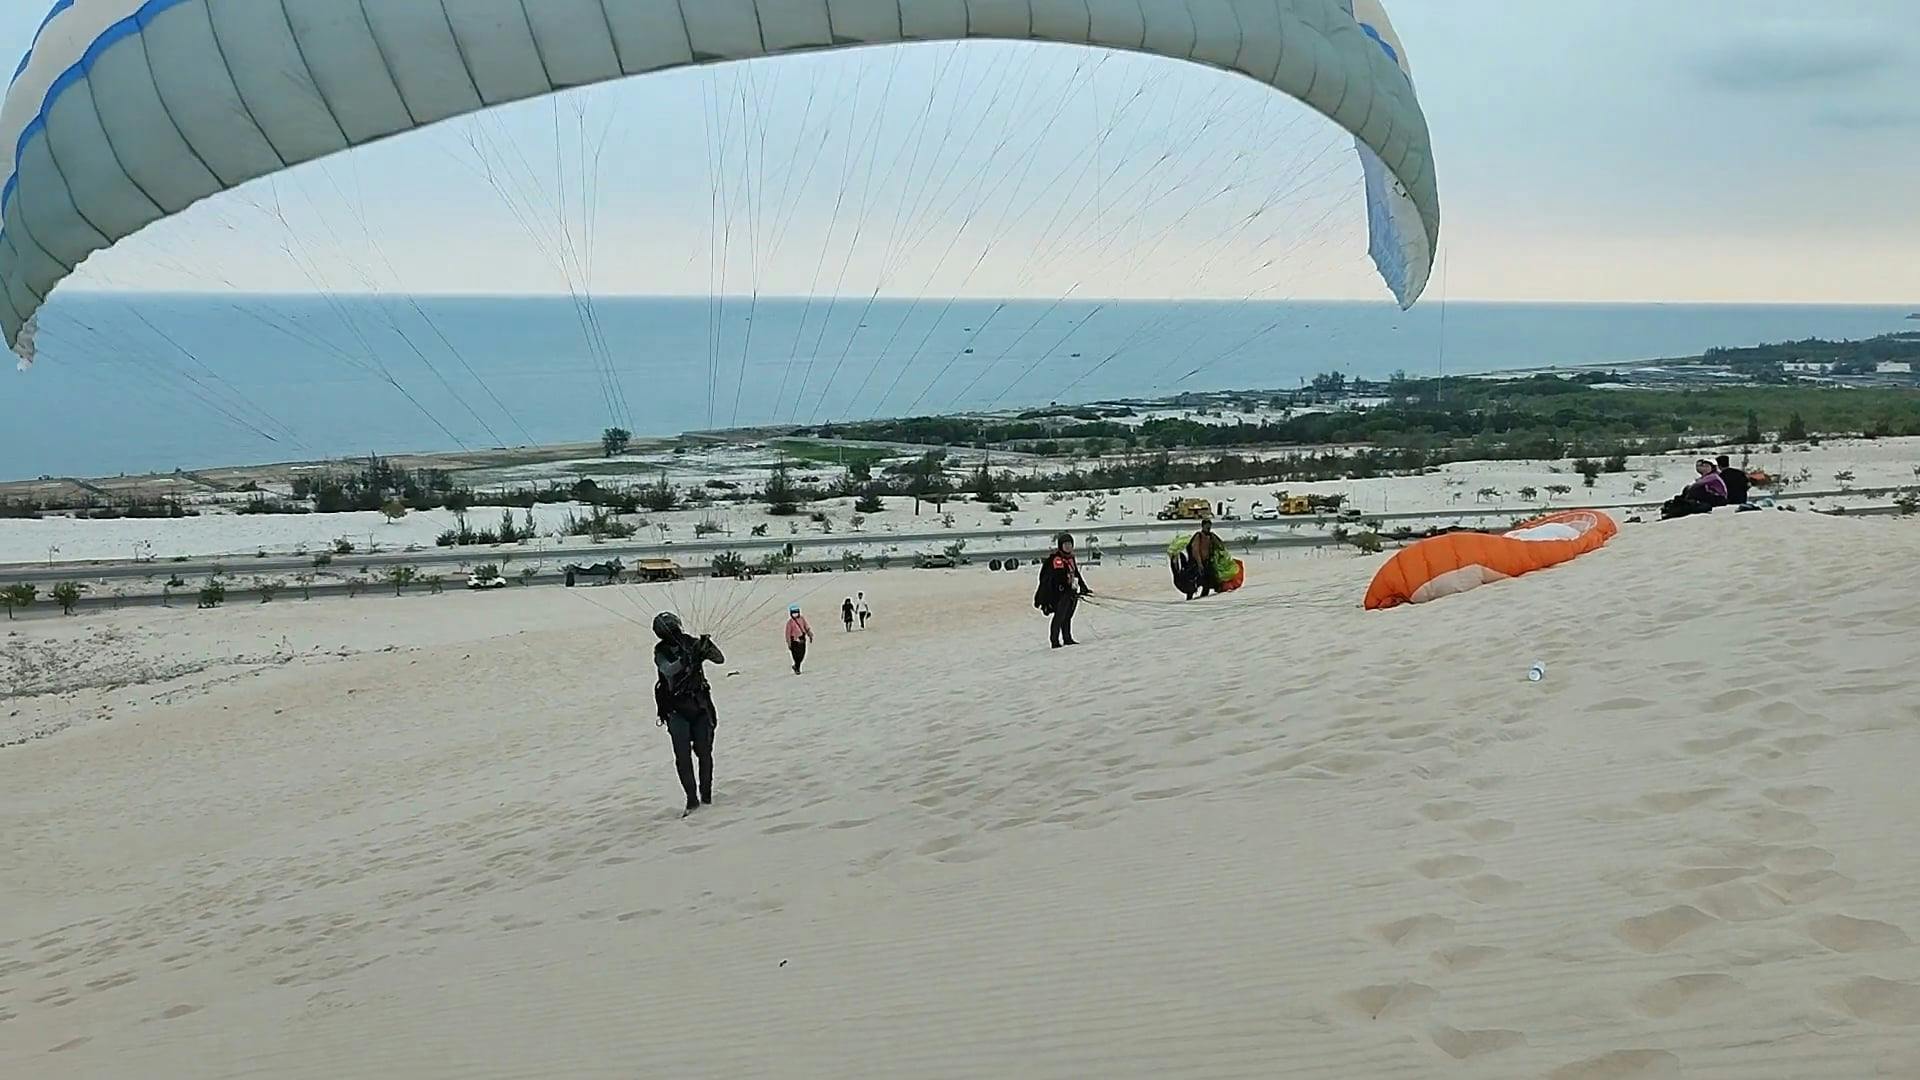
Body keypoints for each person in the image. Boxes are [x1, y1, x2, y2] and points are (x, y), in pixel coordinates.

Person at [653, 612, 725, 817]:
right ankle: (692, 799)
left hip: (699, 705)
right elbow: (668, 670)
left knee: (704, 751)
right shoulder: (661, 651)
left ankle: (706, 795)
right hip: (677, 709)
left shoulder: (691, 643)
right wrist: (687, 659)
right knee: (683, 756)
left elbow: (719, 659)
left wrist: (706, 647)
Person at [1034, 532, 1092, 648]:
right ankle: (1054, 641)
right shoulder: (1057, 559)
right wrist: (1066, 587)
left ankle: (1067, 638)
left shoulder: (1070, 558)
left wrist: (1083, 587)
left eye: (1070, 544)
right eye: (1065, 544)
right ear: (1061, 546)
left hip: (1071, 591)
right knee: (1060, 616)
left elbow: (1076, 573)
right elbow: (1057, 576)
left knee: (1068, 616)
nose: (1068, 547)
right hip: (1060, 593)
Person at [1661, 459, 1729, 520]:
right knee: (1690, 490)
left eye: (1706, 466)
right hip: (1714, 497)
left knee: (1694, 489)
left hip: (1720, 499)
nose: (1703, 468)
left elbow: (1697, 485)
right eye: (1703, 466)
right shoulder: (1707, 477)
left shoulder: (1713, 476)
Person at [1185, 520, 1226, 597]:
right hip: (1197, 563)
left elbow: (1220, 545)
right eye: (1207, 526)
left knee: (1208, 581)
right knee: (1194, 581)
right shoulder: (1198, 536)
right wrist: (1199, 563)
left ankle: (1203, 596)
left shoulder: (1211, 536)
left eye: (1209, 526)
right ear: (1203, 526)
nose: (1208, 528)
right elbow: (1195, 550)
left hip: (1207, 562)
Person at [785, 605, 814, 674]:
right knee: (796, 656)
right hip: (794, 642)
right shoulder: (789, 623)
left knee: (802, 654)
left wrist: (810, 634)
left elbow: (806, 627)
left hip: (802, 640)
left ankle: (796, 666)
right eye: (793, 613)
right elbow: (787, 634)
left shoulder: (802, 619)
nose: (795, 614)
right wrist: (789, 643)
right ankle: (797, 668)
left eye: (796, 612)